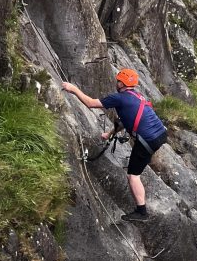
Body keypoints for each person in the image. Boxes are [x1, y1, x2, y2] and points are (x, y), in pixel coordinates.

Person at [62, 68, 168, 222]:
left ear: (122, 83)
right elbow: (129, 119)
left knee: (133, 176)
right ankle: (141, 211)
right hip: (159, 134)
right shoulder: (137, 96)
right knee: (135, 172)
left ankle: (142, 212)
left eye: (118, 80)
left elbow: (91, 103)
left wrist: (73, 89)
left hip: (147, 140)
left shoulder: (119, 98)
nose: (116, 83)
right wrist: (110, 133)